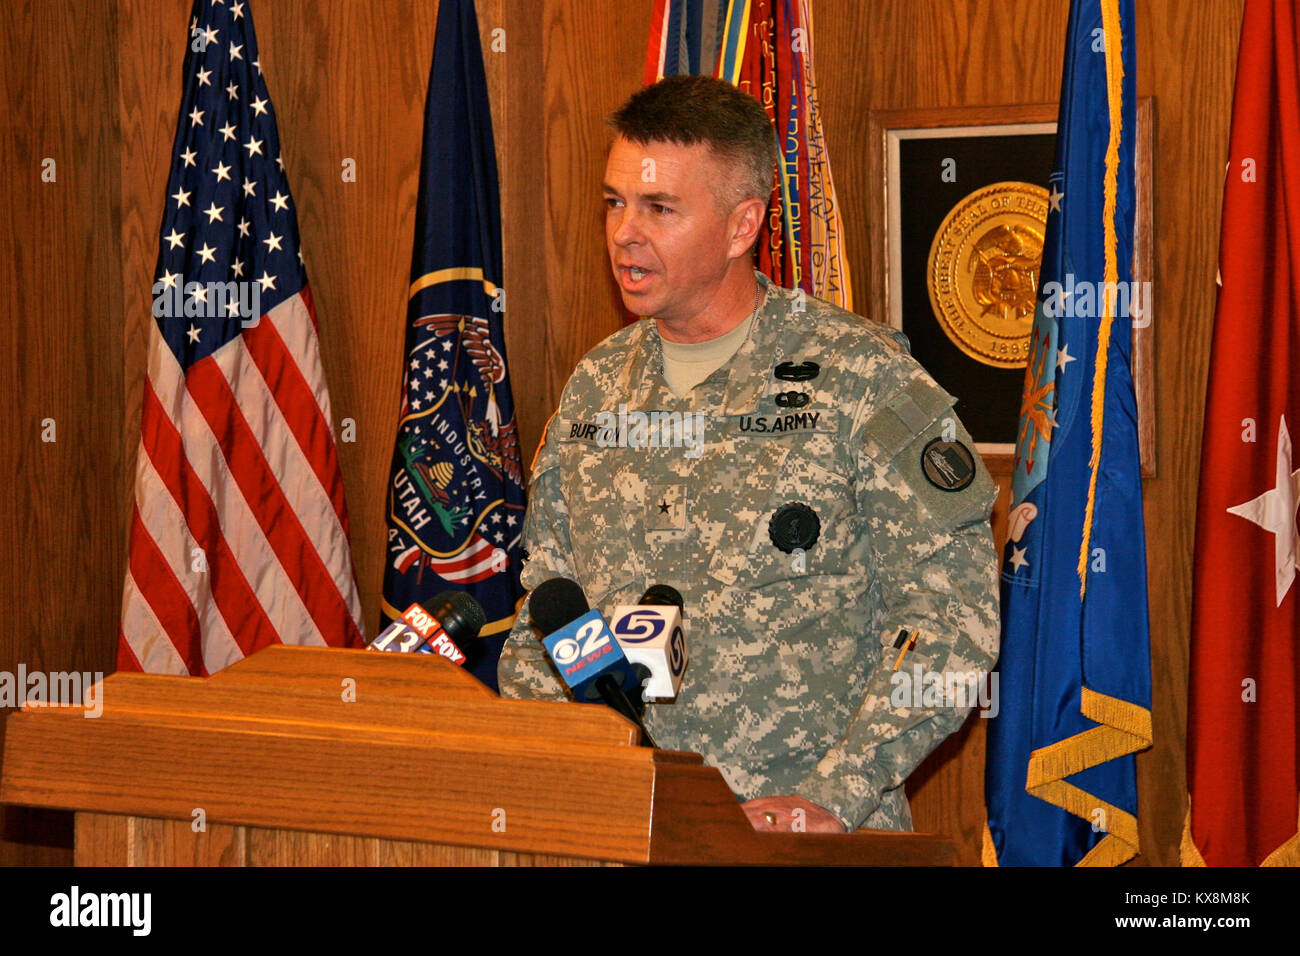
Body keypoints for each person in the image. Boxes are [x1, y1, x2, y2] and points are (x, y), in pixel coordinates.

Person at [497, 75, 1000, 834]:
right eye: (614, 202)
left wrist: (836, 793)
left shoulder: (864, 381)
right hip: (622, 831)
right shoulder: (597, 387)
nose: (625, 232)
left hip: (802, 842)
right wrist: (559, 776)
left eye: (659, 208)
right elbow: (548, 605)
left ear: (741, 227)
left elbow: (951, 623)